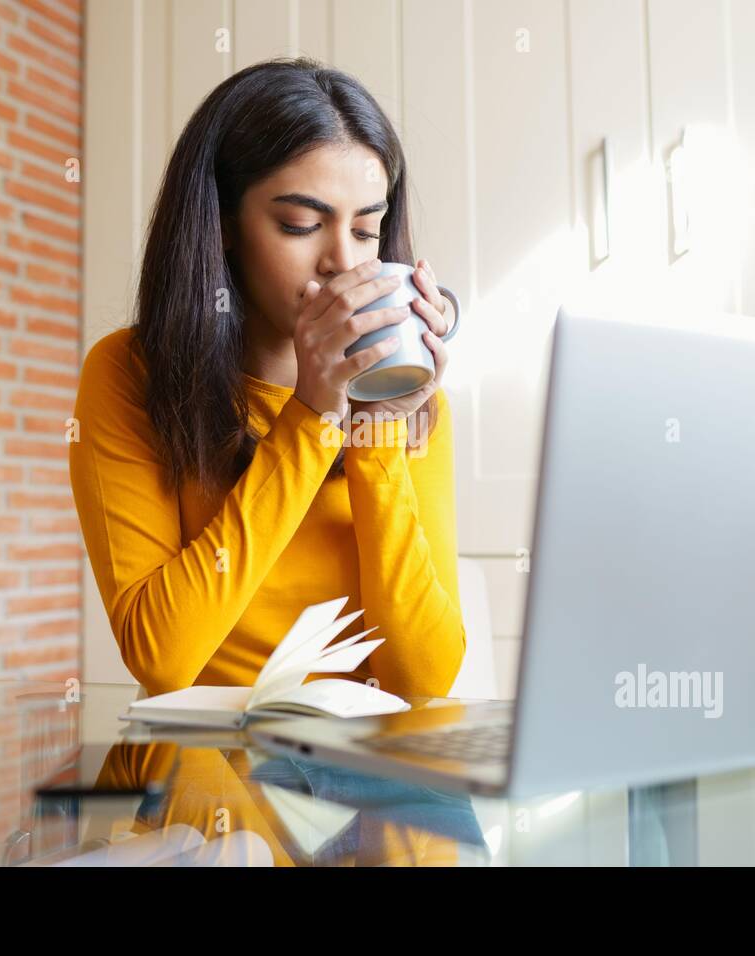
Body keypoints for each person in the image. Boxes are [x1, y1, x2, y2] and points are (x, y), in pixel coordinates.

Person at [69, 56, 465, 702]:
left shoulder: (410, 401)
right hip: (205, 776)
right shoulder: (129, 375)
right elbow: (163, 659)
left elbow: (423, 678)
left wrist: (373, 433)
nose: (344, 261)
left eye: (367, 230)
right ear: (222, 223)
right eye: (301, 225)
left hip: (368, 779)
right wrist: (309, 420)